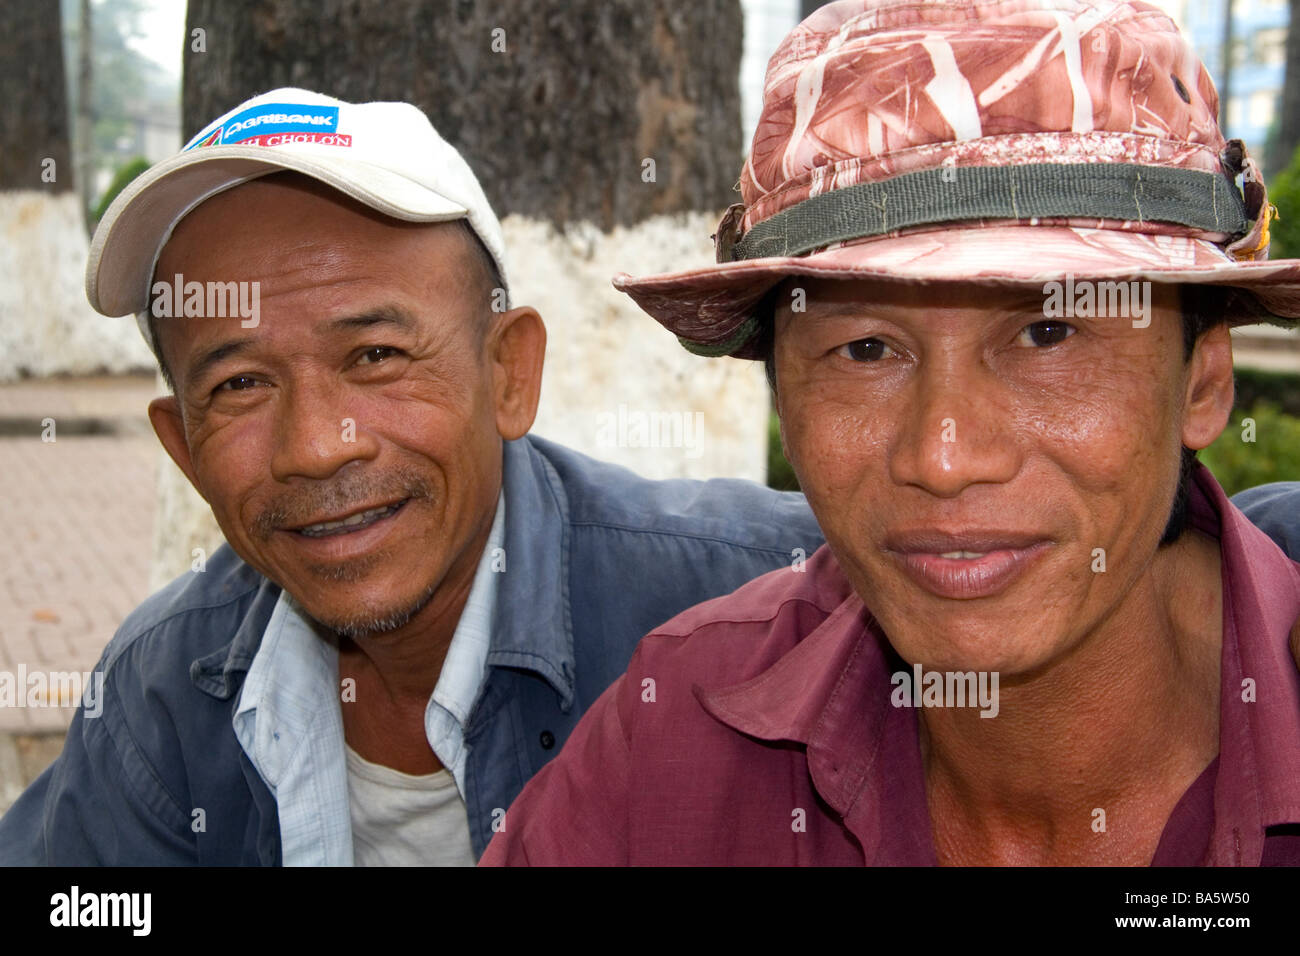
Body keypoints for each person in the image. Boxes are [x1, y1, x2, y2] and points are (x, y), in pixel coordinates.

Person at [481, 0, 1300, 865]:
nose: (942, 459)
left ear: (1203, 381)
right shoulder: (675, 741)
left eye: (1048, 332)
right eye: (865, 349)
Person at [0, 88, 824, 865]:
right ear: (184, 449)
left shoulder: (774, 607)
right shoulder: (163, 693)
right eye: (240, 385)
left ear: (508, 375)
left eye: (376, 356)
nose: (318, 447)